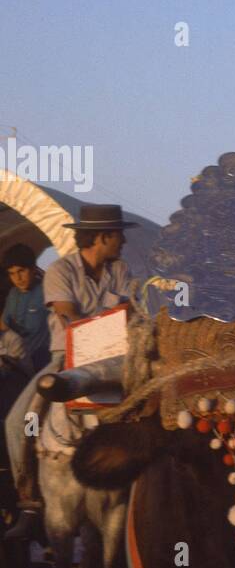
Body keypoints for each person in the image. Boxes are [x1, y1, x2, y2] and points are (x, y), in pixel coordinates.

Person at [4, 205, 137, 541]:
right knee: (18, 422)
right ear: (102, 237)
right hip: (66, 360)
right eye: (118, 234)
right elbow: (68, 317)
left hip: (115, 362)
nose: (122, 241)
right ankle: (29, 495)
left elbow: (131, 311)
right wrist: (113, 317)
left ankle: (145, 495)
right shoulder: (60, 271)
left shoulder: (120, 270)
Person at [1, 243, 50, 372]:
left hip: (42, 365)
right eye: (12, 274)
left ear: (33, 268)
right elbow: (3, 325)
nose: (17, 278)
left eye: (21, 271)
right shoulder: (13, 294)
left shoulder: (48, 290)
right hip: (16, 364)